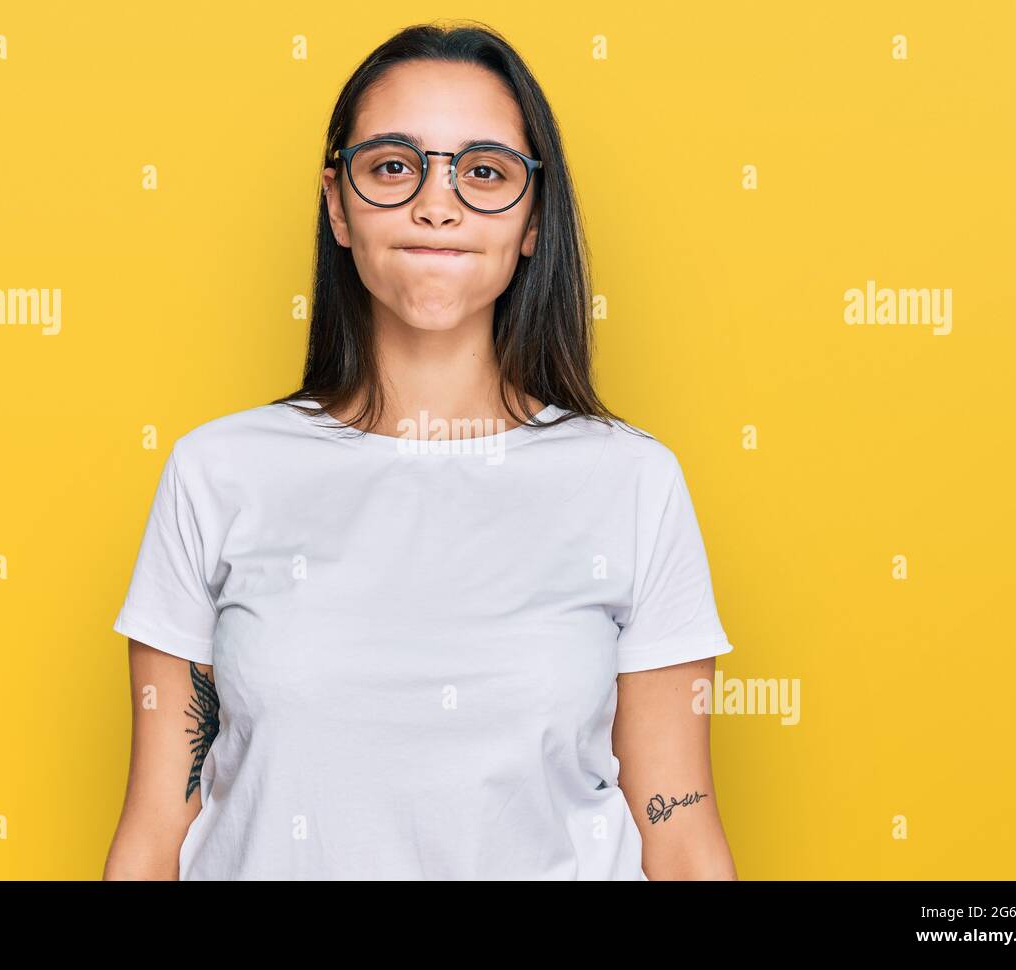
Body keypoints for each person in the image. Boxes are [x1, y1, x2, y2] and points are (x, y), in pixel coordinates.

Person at [103, 21, 738, 881]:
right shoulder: (215, 474)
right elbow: (153, 835)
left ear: (533, 220)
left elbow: (680, 831)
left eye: (484, 172)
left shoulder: (631, 484)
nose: (436, 205)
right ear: (338, 202)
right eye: (394, 165)